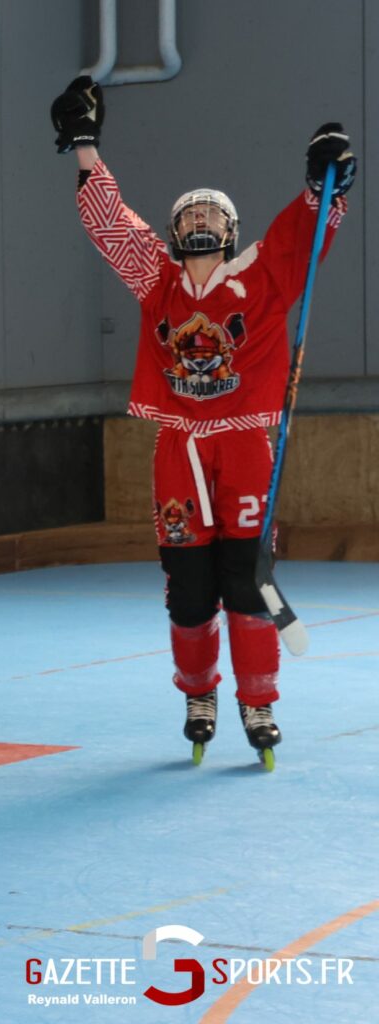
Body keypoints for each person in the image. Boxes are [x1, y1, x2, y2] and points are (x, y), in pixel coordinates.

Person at [51, 75, 355, 765]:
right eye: (188, 216)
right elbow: (111, 225)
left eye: (213, 216)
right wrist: (85, 147)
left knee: (246, 579)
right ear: (175, 230)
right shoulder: (157, 280)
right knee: (188, 586)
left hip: (245, 441)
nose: (200, 224)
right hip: (179, 447)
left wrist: (324, 180)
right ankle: (198, 692)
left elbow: (302, 235)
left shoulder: (261, 277)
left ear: (232, 230)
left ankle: (259, 701)